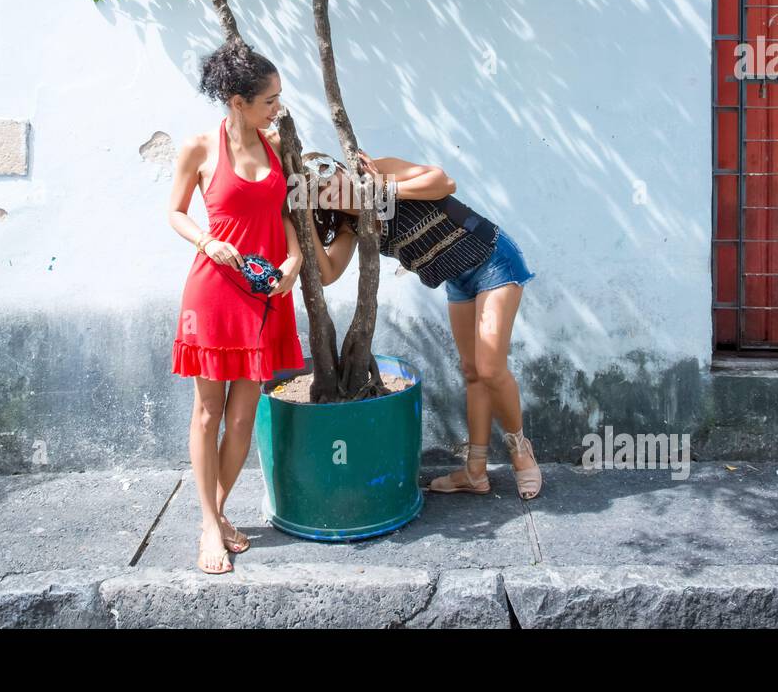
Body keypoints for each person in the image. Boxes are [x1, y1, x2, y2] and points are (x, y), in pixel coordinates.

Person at [299, 148, 540, 499]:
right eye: (321, 191)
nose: (332, 188)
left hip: (493, 259)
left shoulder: (376, 171)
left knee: (489, 369)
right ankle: (475, 470)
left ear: (340, 169)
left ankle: (520, 451)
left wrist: (383, 188)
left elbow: (444, 182)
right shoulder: (351, 225)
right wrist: (303, 221)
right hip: (458, 279)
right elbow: (327, 272)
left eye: (331, 177)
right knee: (473, 371)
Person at [169, 41, 304, 574]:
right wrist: (206, 241)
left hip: (266, 294)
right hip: (214, 292)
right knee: (208, 412)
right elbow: (174, 212)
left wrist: (293, 258)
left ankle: (219, 512)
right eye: (269, 99)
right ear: (237, 100)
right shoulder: (199, 148)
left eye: (277, 99)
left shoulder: (273, 146)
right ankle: (208, 524)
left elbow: (285, 213)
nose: (277, 108)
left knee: (245, 415)